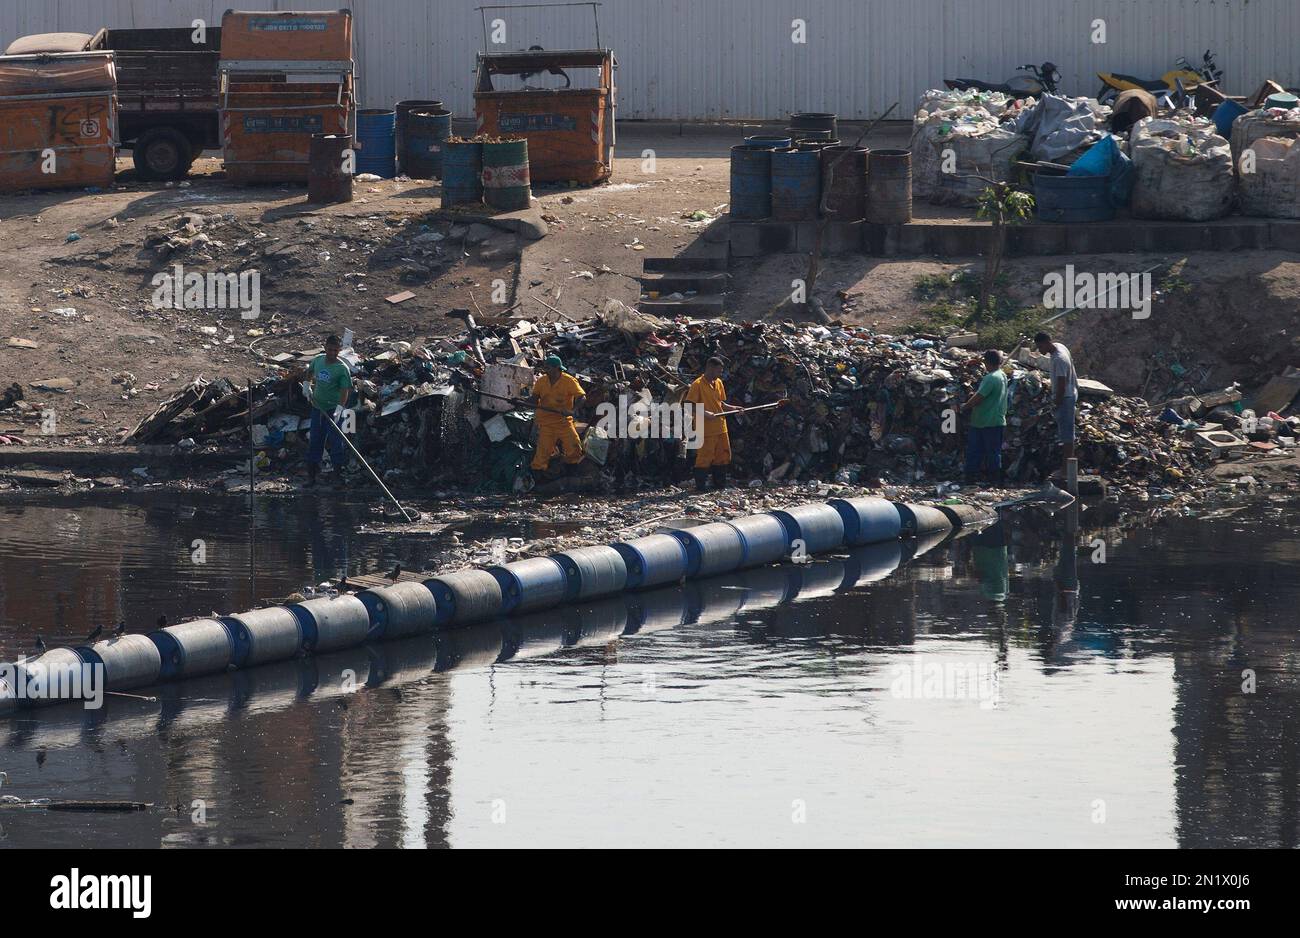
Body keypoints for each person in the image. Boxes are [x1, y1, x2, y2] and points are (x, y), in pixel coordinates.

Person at [683, 357, 742, 492]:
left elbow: (720, 403)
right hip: (705, 428)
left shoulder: (719, 383)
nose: (719, 374)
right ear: (710, 368)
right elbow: (688, 405)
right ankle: (701, 487)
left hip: (720, 426)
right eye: (718, 371)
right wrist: (704, 413)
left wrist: (734, 409)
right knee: (705, 457)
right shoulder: (697, 384)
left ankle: (719, 485)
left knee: (723, 455)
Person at [306, 334, 353, 487]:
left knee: (336, 442)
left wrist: (340, 408)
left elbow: (345, 390)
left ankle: (338, 476)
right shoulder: (318, 360)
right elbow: (309, 371)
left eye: (336, 351)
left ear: (339, 350)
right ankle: (312, 477)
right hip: (317, 408)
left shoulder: (342, 368)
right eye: (330, 350)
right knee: (315, 441)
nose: (333, 353)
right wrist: (307, 384)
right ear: (325, 348)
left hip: (334, 410)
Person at [528, 354, 586, 474]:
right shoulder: (541, 381)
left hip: (563, 422)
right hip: (546, 422)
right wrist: (520, 401)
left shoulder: (568, 381)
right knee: (542, 454)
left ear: (556, 368)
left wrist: (572, 411)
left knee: (574, 448)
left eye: (548, 368)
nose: (546, 371)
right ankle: (538, 476)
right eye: (545, 368)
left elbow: (582, 397)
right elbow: (534, 399)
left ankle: (571, 471)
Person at [960, 349, 1009, 486]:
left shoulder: (991, 378)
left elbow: (979, 398)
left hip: (984, 421)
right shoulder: (1002, 375)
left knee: (975, 451)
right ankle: (995, 480)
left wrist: (964, 407)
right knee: (994, 452)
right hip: (996, 420)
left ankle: (972, 478)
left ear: (987, 362)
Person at [1034, 331, 1079, 481]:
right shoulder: (1060, 347)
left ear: (1046, 342)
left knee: (1067, 435)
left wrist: (1056, 403)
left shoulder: (1059, 359)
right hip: (1071, 393)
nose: (1039, 350)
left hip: (1065, 397)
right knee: (1067, 433)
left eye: (1040, 346)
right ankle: (1067, 467)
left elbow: (1061, 383)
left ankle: (1066, 471)